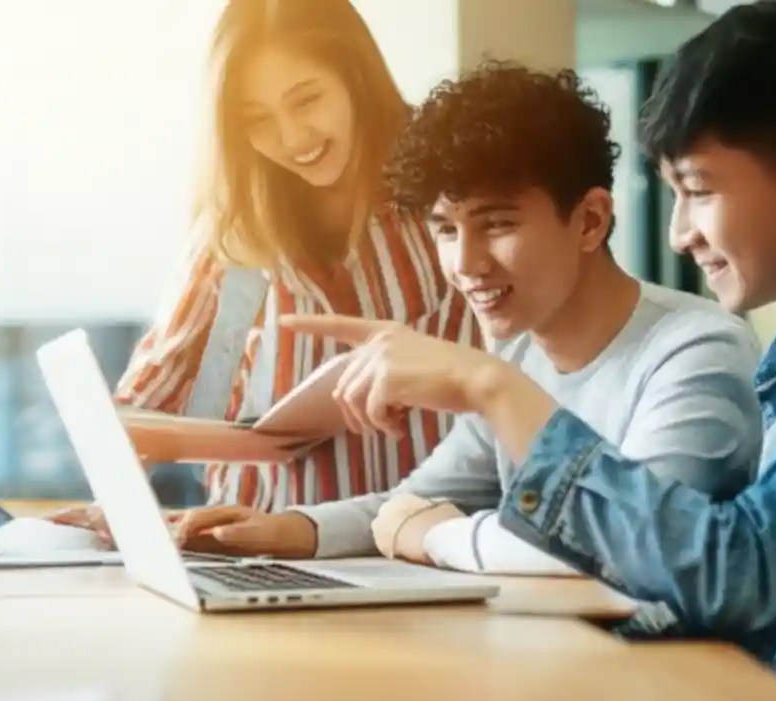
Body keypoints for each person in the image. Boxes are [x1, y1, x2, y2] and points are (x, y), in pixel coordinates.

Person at [276, 2, 776, 701]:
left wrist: (489, 387)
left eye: (699, 191)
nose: (679, 233)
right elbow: (718, 594)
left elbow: (746, 572)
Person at [171, 62, 762, 575]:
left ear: (589, 220)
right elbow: (413, 504)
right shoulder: (519, 353)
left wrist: (435, 536)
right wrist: (282, 530)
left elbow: (636, 545)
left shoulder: (698, 350)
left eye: (497, 224)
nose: (465, 264)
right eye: (445, 230)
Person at [51, 0, 481, 539]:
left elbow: (518, 374)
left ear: (356, 78)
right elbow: (144, 401)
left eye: (307, 100)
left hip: (422, 544)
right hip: (259, 548)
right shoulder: (234, 235)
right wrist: (118, 502)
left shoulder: (447, 200)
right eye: (257, 119)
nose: (293, 138)